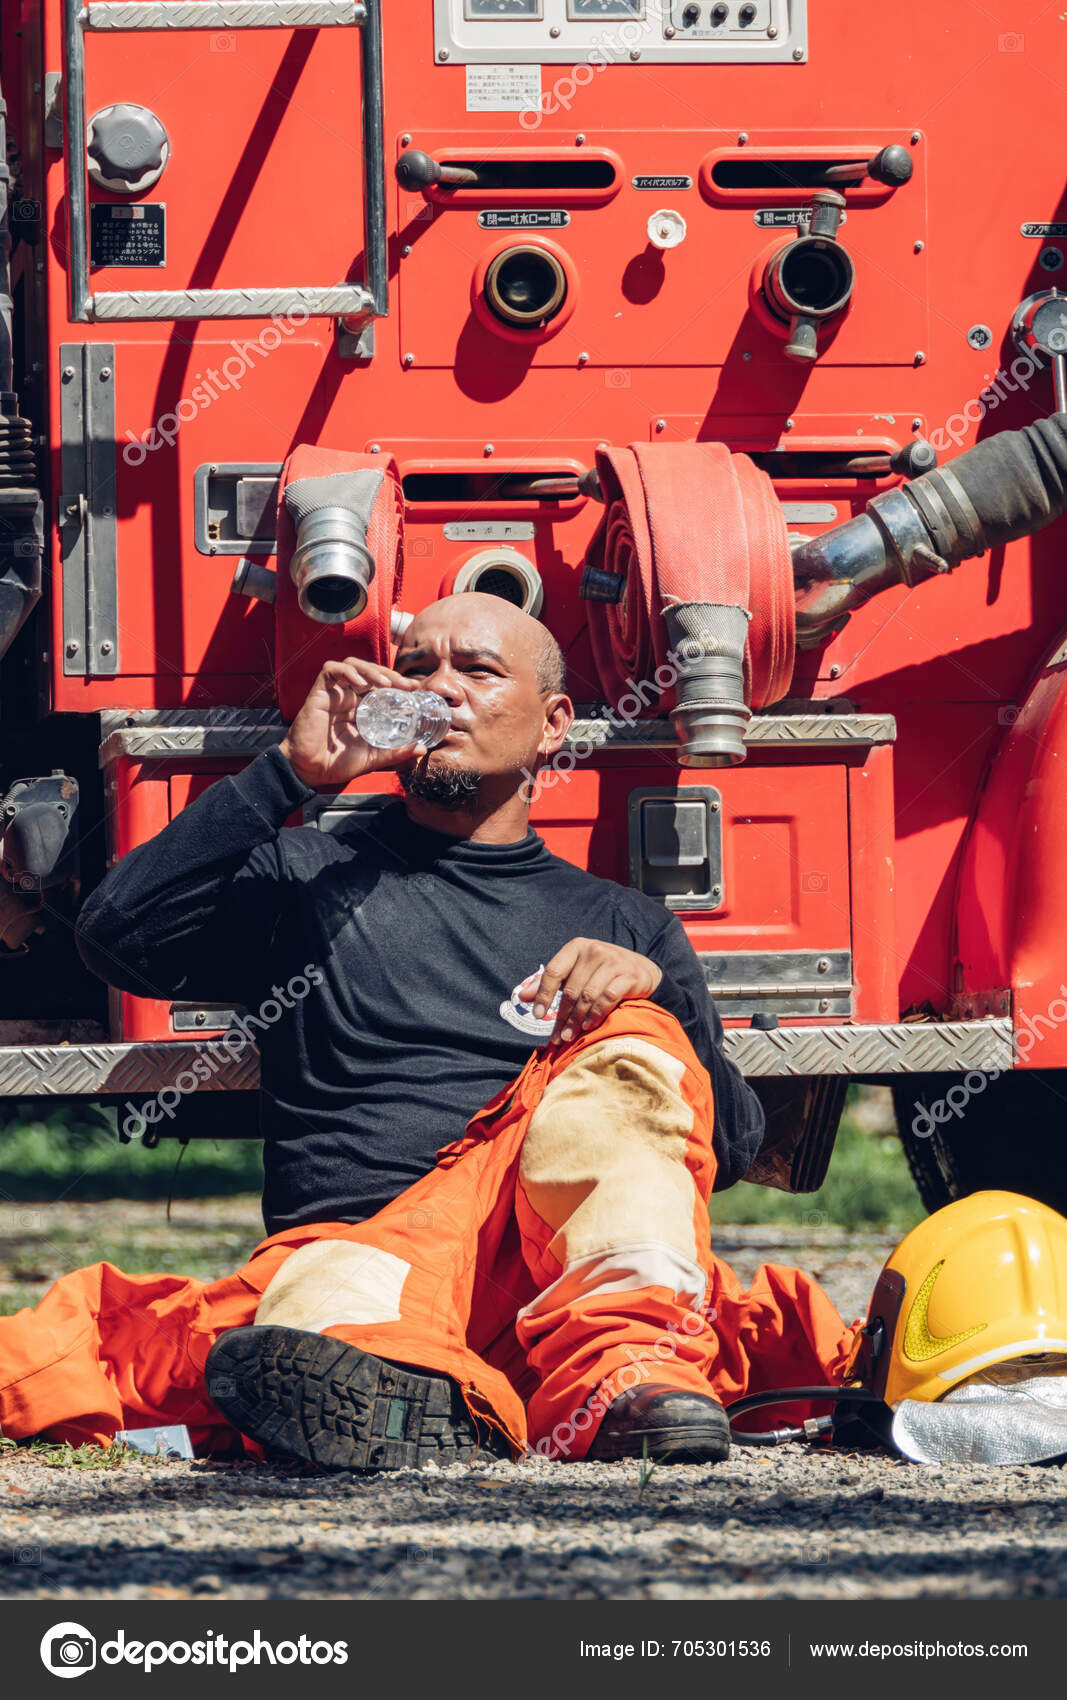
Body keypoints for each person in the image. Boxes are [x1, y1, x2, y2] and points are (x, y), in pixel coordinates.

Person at [0, 595, 856, 1470]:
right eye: (416, 669)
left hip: (561, 1281)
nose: (440, 690)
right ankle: (455, 1400)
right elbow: (118, 937)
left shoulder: (622, 922)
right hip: (368, 1262)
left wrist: (662, 1002)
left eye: (476, 671)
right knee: (314, 1313)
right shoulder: (308, 876)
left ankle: (620, 1371)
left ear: (553, 725)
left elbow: (738, 1143)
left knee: (633, 1032)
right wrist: (292, 773)